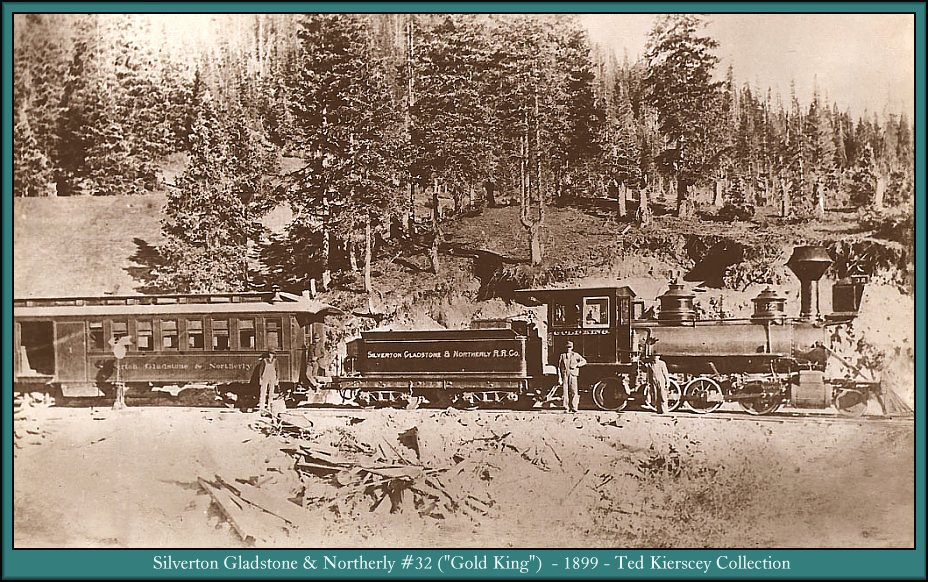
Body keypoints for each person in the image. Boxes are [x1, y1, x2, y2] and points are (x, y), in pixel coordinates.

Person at [558, 341, 587, 413]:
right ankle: (566, 408)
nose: (568, 349)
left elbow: (584, 361)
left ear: (572, 347)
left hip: (573, 375)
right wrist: (559, 378)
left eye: (570, 347)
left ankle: (574, 407)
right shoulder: (562, 356)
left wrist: (577, 365)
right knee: (565, 392)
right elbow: (558, 367)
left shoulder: (576, 355)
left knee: (574, 391)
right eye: (567, 347)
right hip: (565, 375)